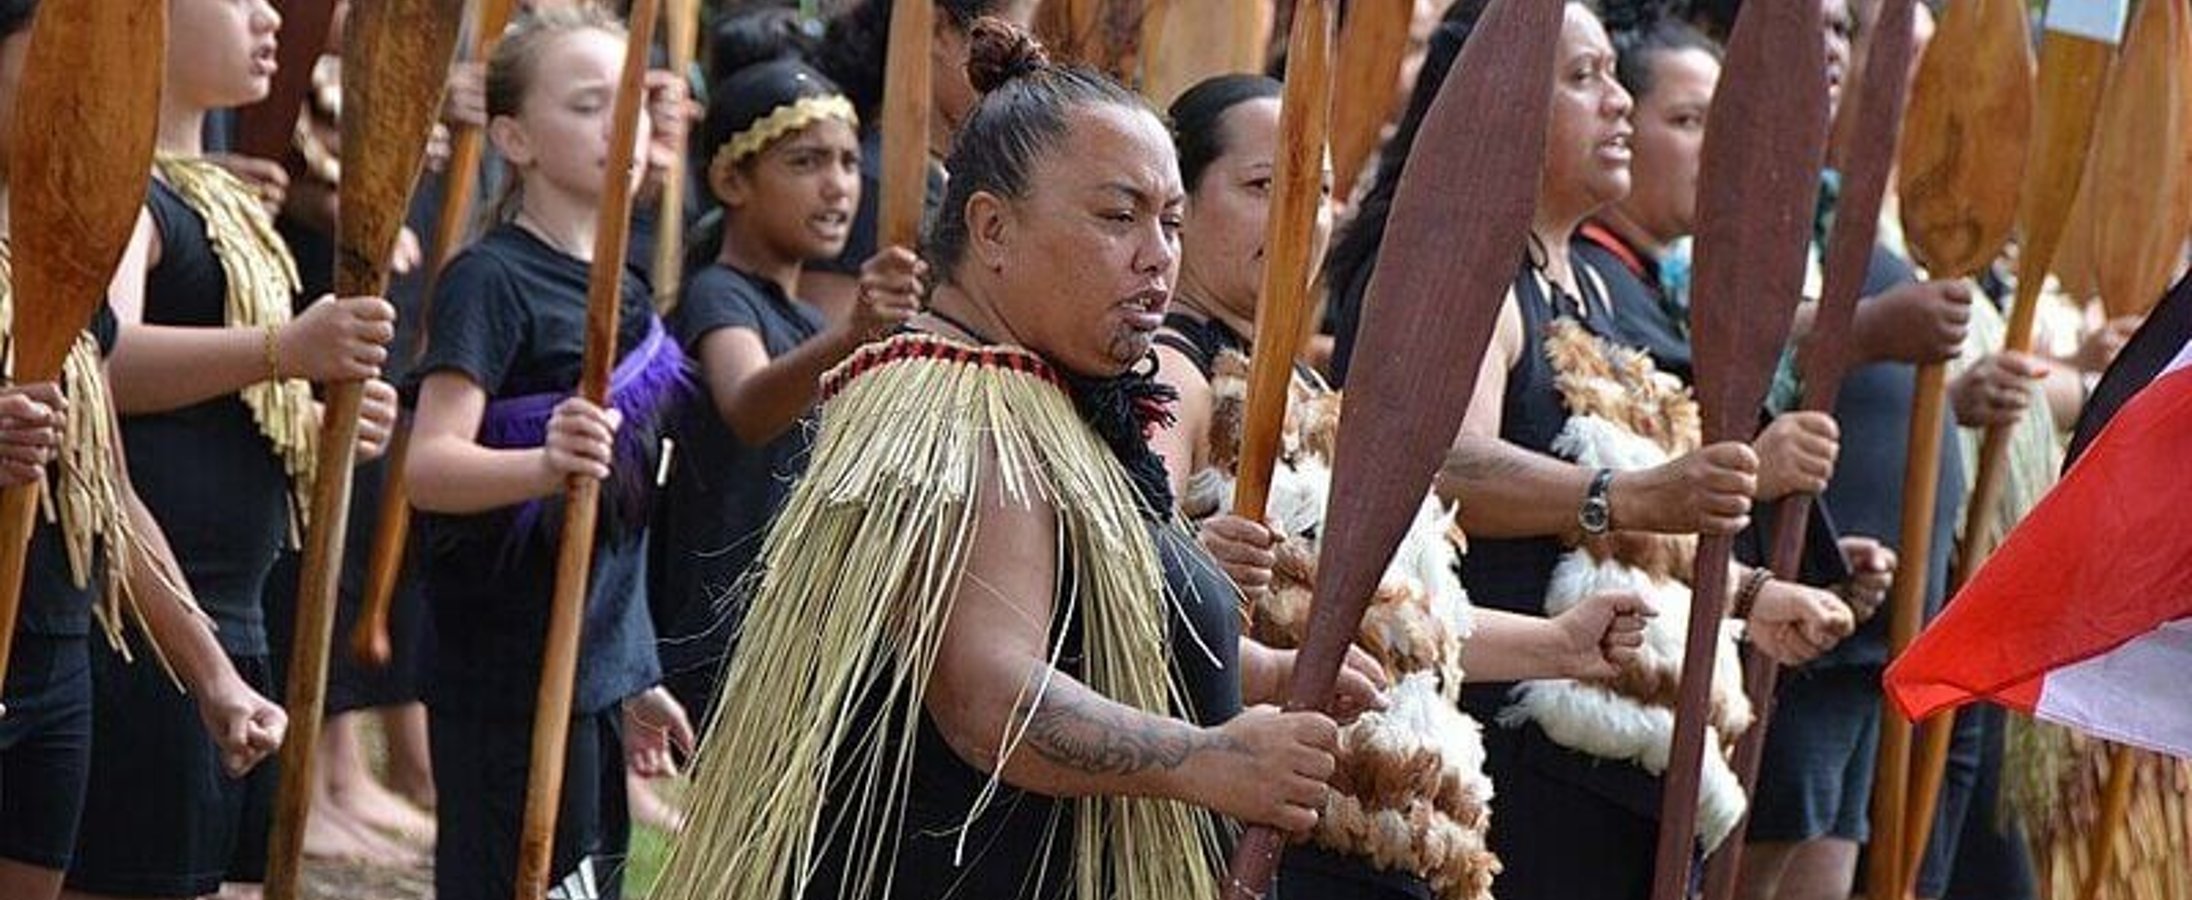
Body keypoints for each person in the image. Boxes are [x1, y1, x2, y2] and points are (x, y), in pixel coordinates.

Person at [654, 20, 1359, 899]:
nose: (1159, 257)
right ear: (990, 229)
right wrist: (1207, 758)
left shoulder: (1030, 394)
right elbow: (991, 700)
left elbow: (1084, 624)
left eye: (1172, 222)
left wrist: (1263, 674)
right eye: (1118, 216)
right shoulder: (968, 413)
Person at [1329, 2, 1855, 895]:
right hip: (1514, 767)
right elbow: (1440, 466)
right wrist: (1636, 493)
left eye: (1612, 73)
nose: (1617, 102)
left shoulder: (1598, 296)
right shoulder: (1466, 273)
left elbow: (1622, 546)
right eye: (1582, 78)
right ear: (1496, 102)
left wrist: (1748, 597)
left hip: (1628, 776)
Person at [1154, 72, 1657, 900]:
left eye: (1317, 193)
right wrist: (1189, 556)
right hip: (1269, 830)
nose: (1297, 217)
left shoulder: (1308, 390)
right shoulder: (1177, 368)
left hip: (1382, 832)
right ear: (1181, 204)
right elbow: (1131, 553)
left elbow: (1399, 630)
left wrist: (1560, 644)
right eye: (1261, 187)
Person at [65, 0, 400, 897]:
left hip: (233, 610)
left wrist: (319, 421)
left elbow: (231, 398)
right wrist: (283, 352)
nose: (268, 18)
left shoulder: (215, 193)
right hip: (137, 614)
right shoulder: (128, 190)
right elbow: (100, 360)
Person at [403, 7, 696, 899]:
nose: (623, 130)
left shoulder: (630, 287)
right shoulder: (489, 281)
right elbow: (429, 467)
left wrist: (634, 670)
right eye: (586, 106)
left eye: (634, 107)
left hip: (592, 681)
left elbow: (621, 519)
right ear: (512, 136)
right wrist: (538, 466)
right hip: (505, 679)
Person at [0, 9, 293, 900]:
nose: (88, 89)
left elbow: (104, 492)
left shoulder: (61, 254)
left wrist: (213, 678)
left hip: (49, 671)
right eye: (59, 62)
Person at [649, 58, 923, 726]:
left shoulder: (805, 322)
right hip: (716, 627)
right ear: (730, 179)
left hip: (781, 622)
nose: (837, 188)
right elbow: (748, 406)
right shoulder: (719, 295)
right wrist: (855, 332)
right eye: (805, 163)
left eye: (850, 164)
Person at [803, 0, 1037, 320]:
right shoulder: (866, 182)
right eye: (1014, 33)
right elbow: (831, 345)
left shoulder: (949, 175)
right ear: (939, 30)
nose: (1025, 58)